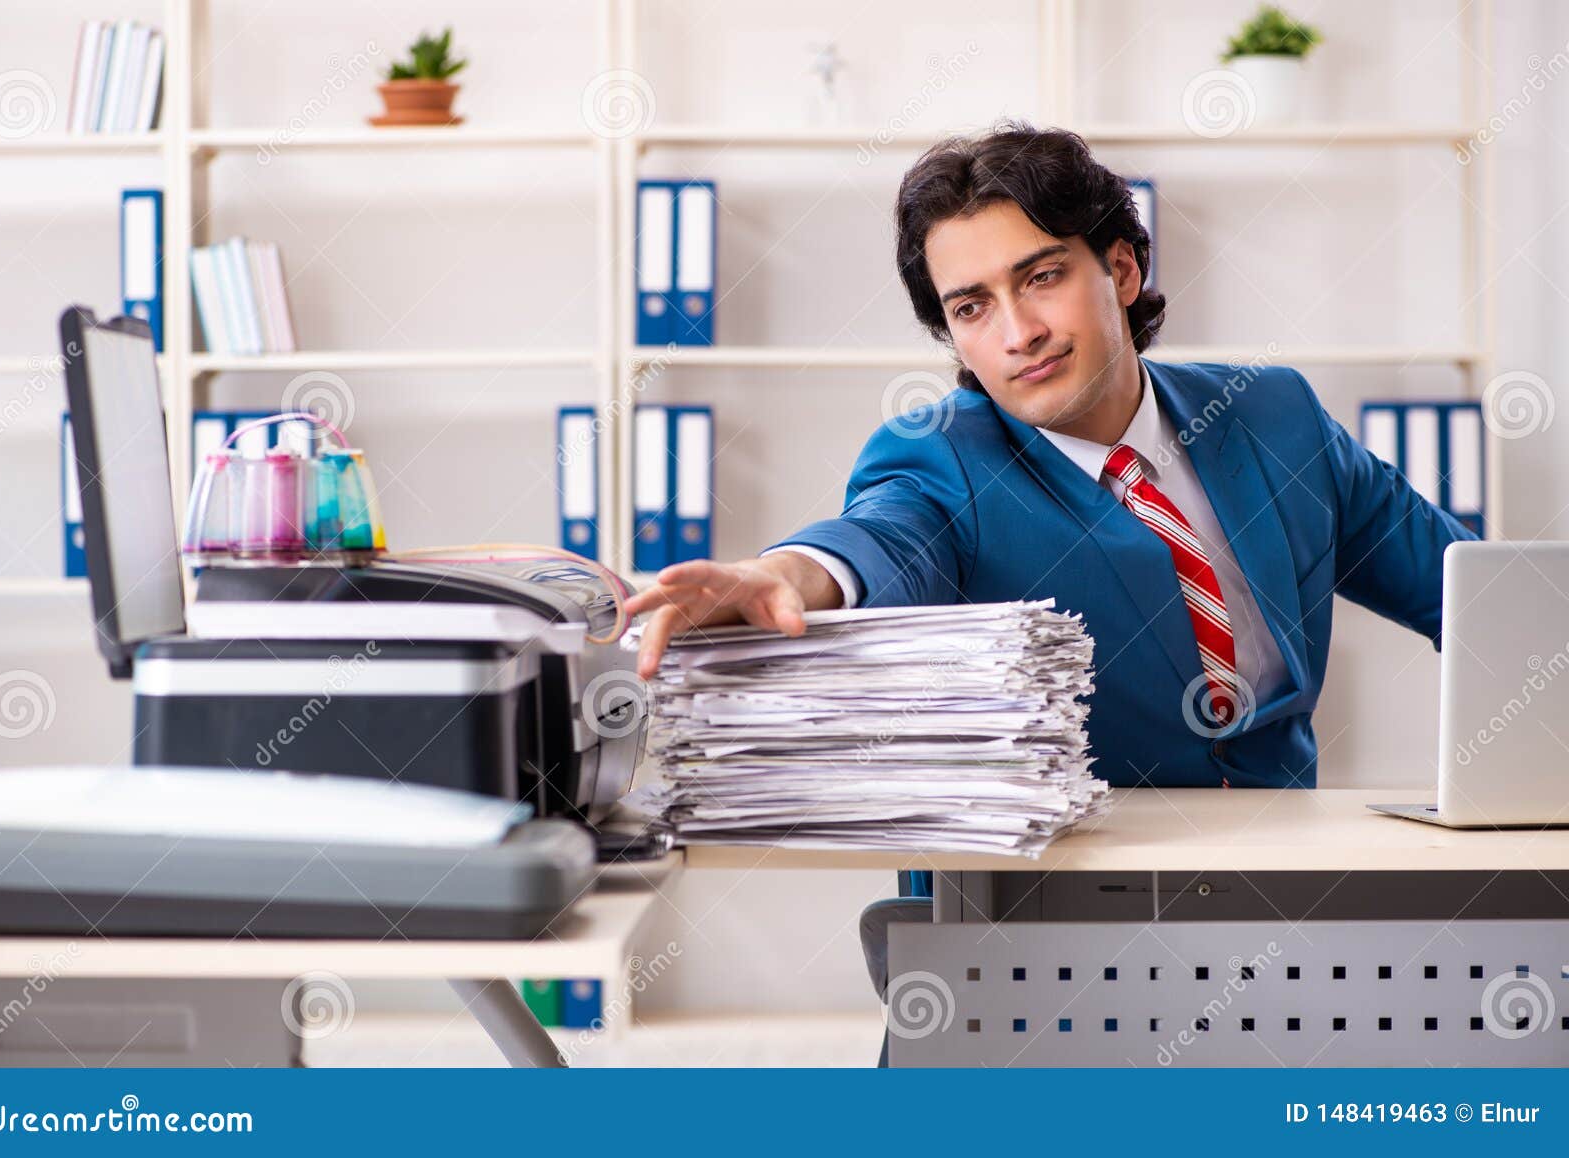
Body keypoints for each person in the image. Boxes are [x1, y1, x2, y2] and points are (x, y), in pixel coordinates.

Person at [623, 121, 1477, 1058]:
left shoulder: (1273, 416)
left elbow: (1471, 594)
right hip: (1035, 948)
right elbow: (883, 537)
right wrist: (786, 573)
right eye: (971, 307)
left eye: (1039, 278)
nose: (1017, 334)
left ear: (1119, 268)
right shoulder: (942, 458)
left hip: (1283, 915)